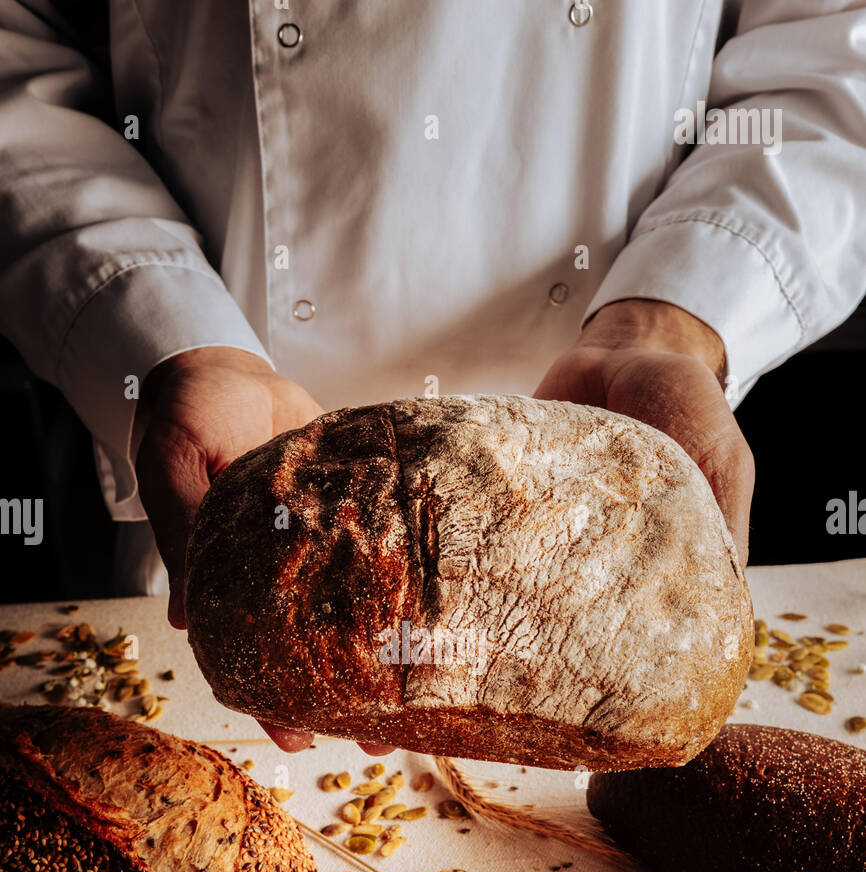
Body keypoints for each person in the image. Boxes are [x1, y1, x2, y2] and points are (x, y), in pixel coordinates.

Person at [0, 0, 865, 752]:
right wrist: (165, 328)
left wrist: (671, 315)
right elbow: (17, 54)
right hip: (231, 486)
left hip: (608, 533)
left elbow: (835, 62)